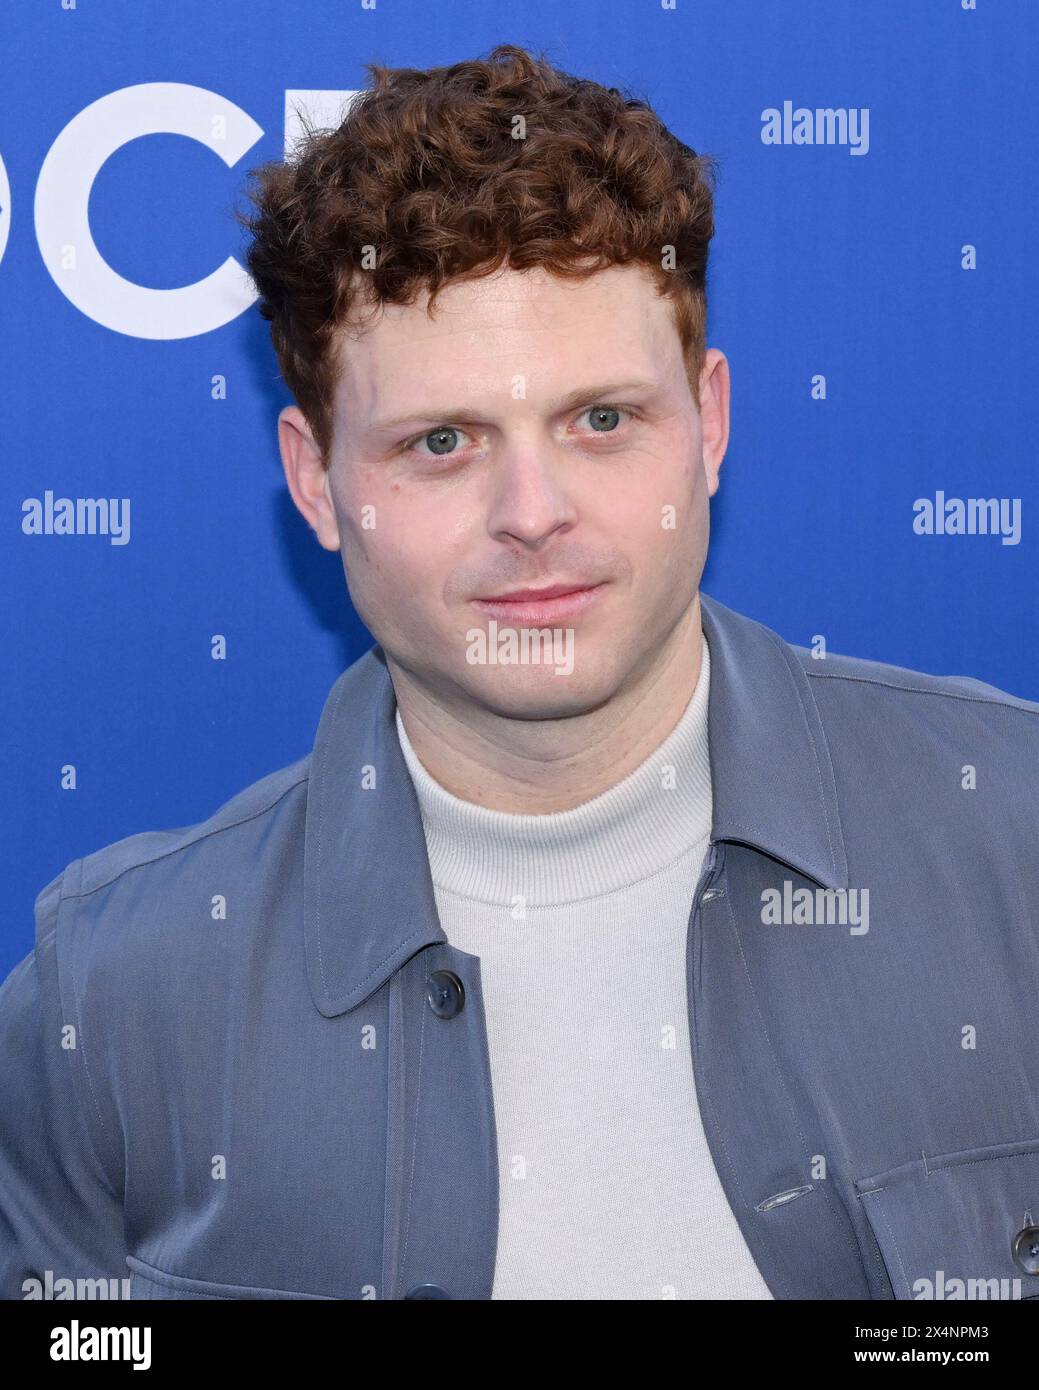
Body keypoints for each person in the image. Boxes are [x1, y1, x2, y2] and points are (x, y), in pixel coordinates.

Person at [3, 43, 1038, 1303]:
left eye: (601, 420)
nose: (532, 513)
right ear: (314, 480)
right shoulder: (105, 1001)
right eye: (441, 442)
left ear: (707, 425)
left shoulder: (1014, 835)